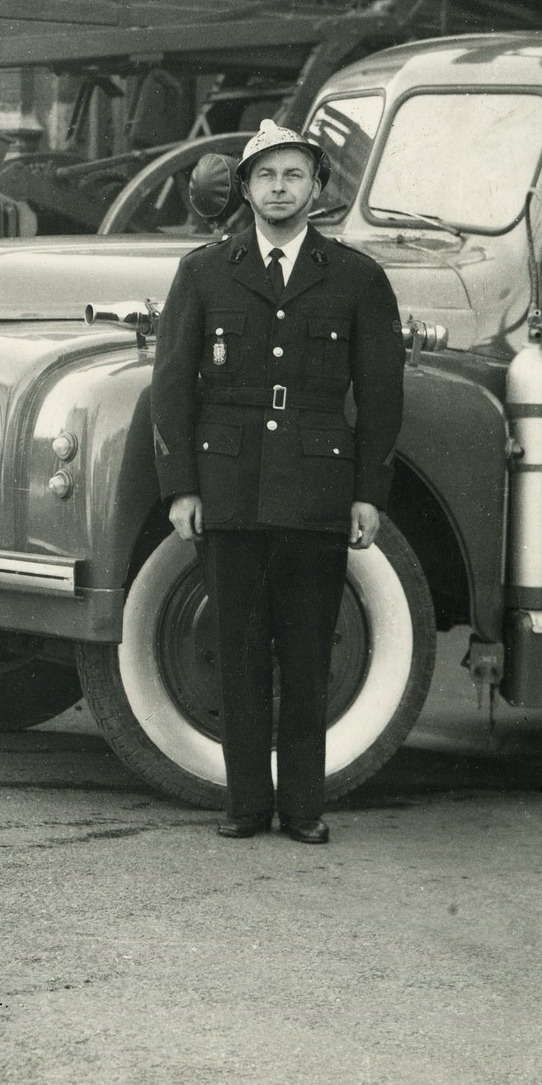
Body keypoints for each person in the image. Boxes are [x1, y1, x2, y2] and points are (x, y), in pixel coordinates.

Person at [151, 120, 405, 844]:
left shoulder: (356, 277)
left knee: (304, 654)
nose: (279, 188)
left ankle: (302, 809)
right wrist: (181, 488)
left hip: (316, 493)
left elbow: (381, 396)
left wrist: (367, 493)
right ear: (245, 188)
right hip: (227, 489)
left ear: (316, 187)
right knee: (236, 652)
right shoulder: (203, 272)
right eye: (265, 176)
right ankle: (243, 806)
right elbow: (169, 387)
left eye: (293, 175)